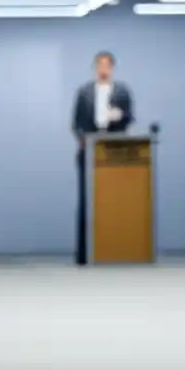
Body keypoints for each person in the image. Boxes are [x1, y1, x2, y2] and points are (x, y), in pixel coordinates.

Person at [71, 51, 134, 264]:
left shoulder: (122, 91)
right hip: (89, 150)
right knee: (86, 201)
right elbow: (76, 123)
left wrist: (119, 115)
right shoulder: (84, 92)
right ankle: (84, 254)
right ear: (95, 68)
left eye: (107, 65)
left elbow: (130, 118)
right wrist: (83, 139)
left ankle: (115, 250)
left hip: (115, 152)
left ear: (112, 68)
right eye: (100, 65)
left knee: (115, 201)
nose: (103, 69)